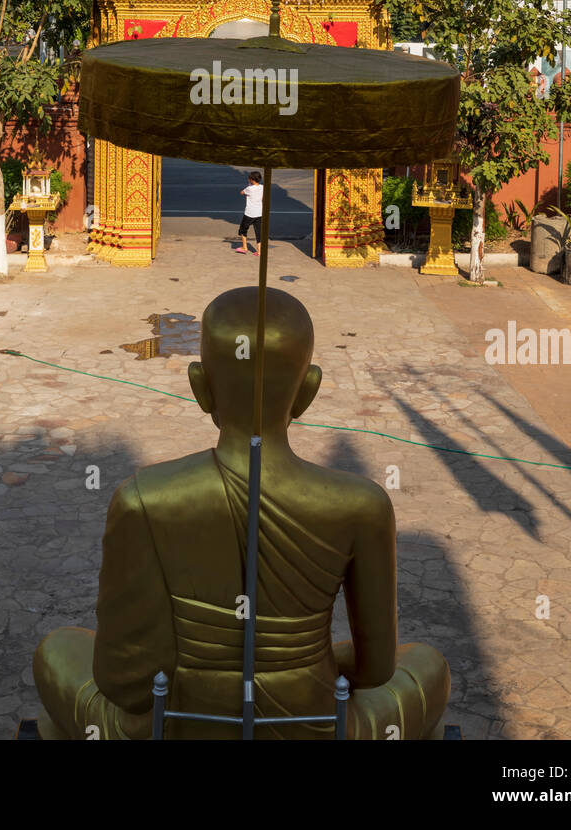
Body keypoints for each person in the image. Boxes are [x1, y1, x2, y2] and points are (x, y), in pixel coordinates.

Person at [33, 286, 450, 740]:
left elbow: (125, 684)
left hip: (176, 727)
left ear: (200, 386)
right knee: (427, 664)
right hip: (314, 727)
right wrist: (298, 657)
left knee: (58, 650)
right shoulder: (362, 505)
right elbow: (375, 669)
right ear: (309, 390)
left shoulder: (144, 498)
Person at [237, 169, 262, 255]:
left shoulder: (249, 188)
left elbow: (241, 192)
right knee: (259, 232)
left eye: (249, 178)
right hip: (259, 213)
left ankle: (244, 247)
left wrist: (248, 186)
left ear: (252, 179)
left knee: (243, 229)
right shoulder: (262, 187)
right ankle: (259, 251)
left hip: (250, 213)